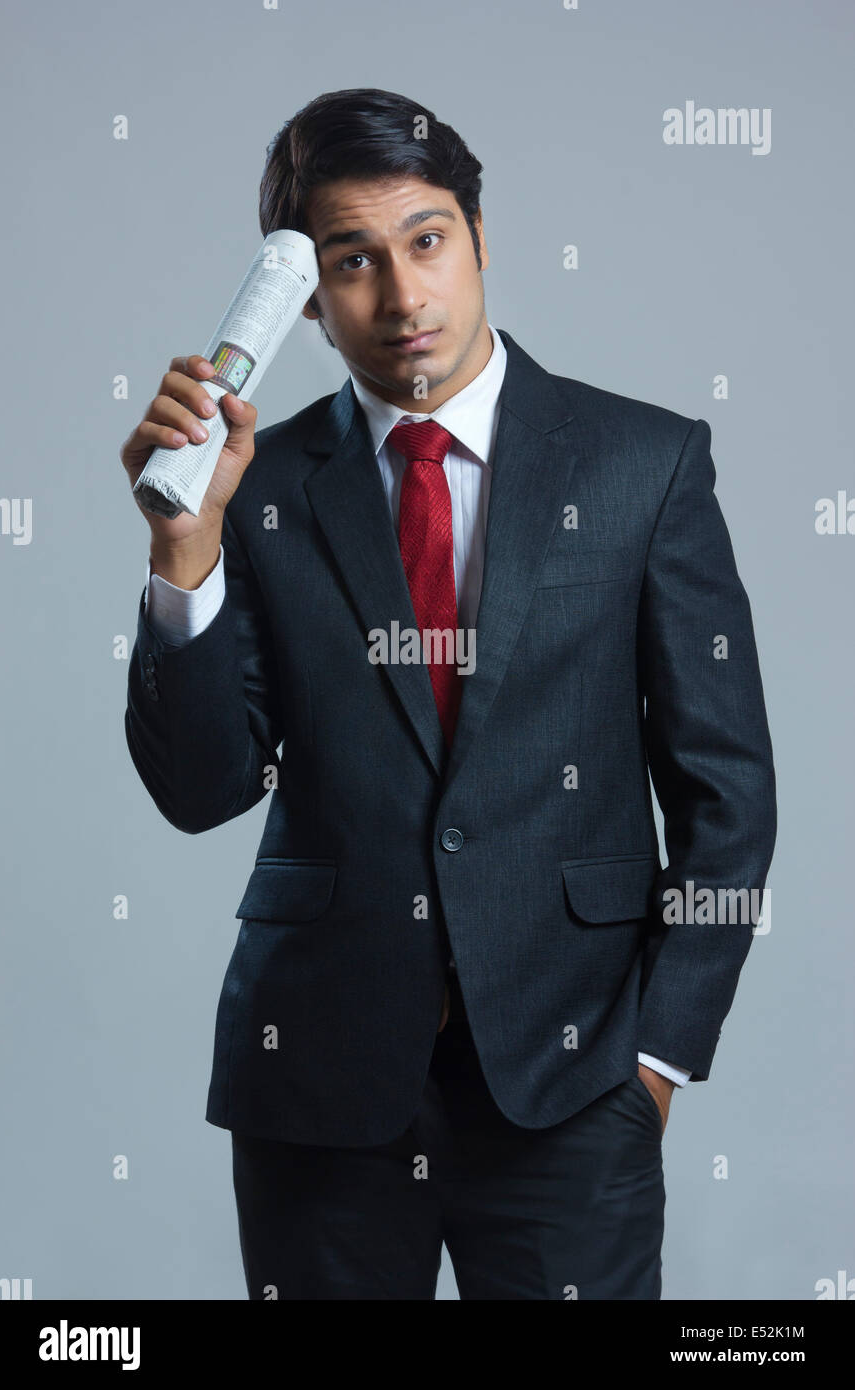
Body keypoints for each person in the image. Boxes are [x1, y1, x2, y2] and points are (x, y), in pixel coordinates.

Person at [120, 88, 776, 1300]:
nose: (403, 297)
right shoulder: (256, 492)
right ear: (303, 296)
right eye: (352, 260)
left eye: (425, 241)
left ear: (480, 235)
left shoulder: (641, 461)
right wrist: (183, 548)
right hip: (317, 1073)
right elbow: (203, 787)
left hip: (575, 1076)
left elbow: (726, 792)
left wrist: (658, 1058)